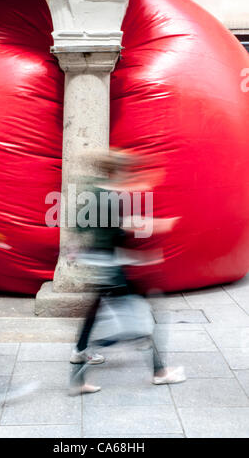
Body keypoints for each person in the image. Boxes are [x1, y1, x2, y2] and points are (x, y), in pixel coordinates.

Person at [69, 149, 186, 395]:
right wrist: (151, 238)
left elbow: (82, 227)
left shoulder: (92, 191)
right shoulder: (111, 198)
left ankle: (79, 355)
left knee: (93, 316)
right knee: (142, 322)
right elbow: (118, 233)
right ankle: (159, 372)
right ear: (119, 172)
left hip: (97, 264)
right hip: (111, 271)